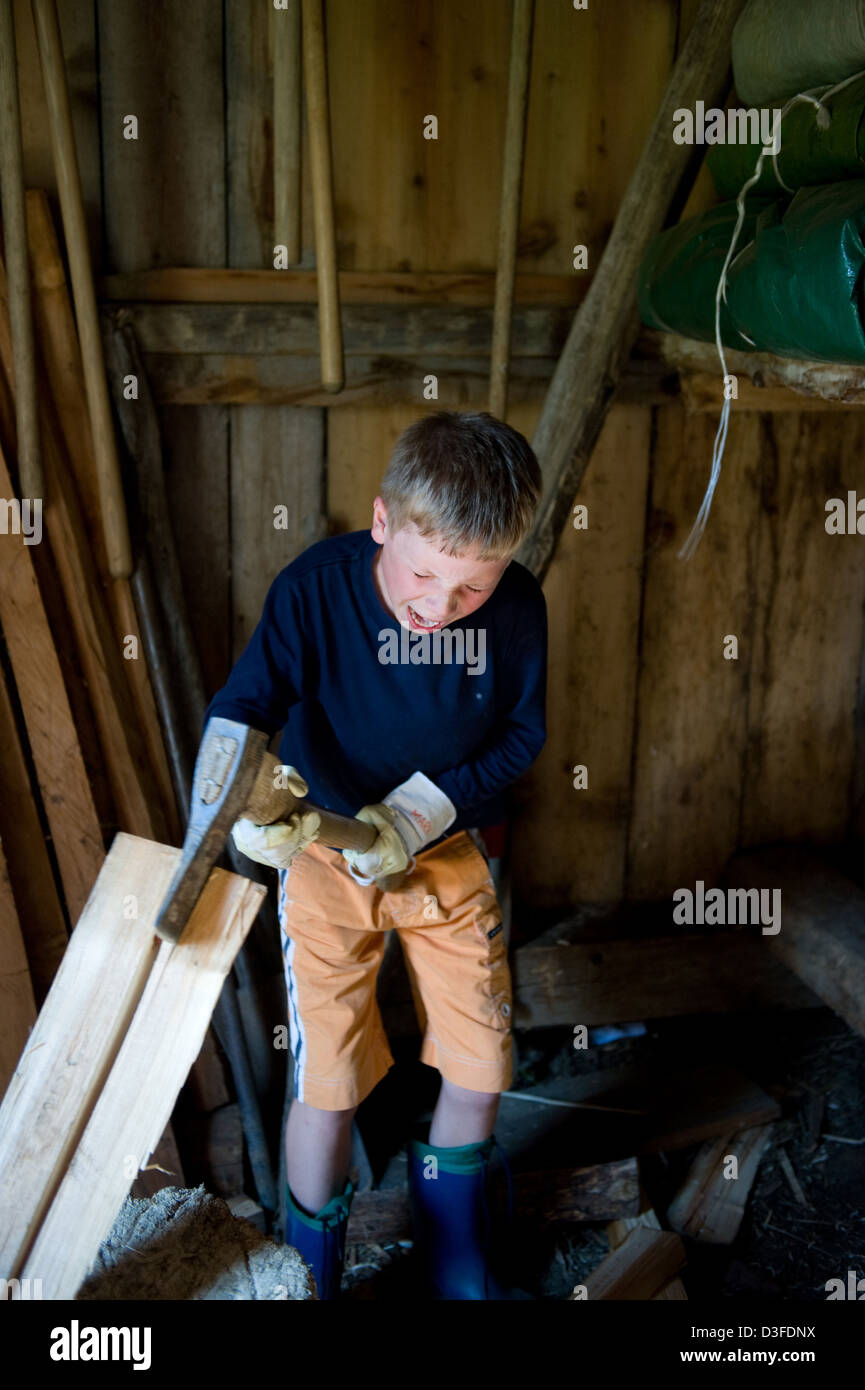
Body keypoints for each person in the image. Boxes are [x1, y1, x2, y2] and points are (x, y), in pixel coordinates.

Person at [204, 410, 548, 1299]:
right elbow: (243, 707)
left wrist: (421, 809)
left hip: (446, 847)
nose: (437, 609)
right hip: (323, 854)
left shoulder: (517, 609)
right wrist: (241, 803)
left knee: (479, 1060)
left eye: (470, 589)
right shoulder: (313, 588)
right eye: (423, 575)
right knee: (327, 1078)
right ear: (383, 522)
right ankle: (309, 1276)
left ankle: (453, 1267)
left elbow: (519, 738)